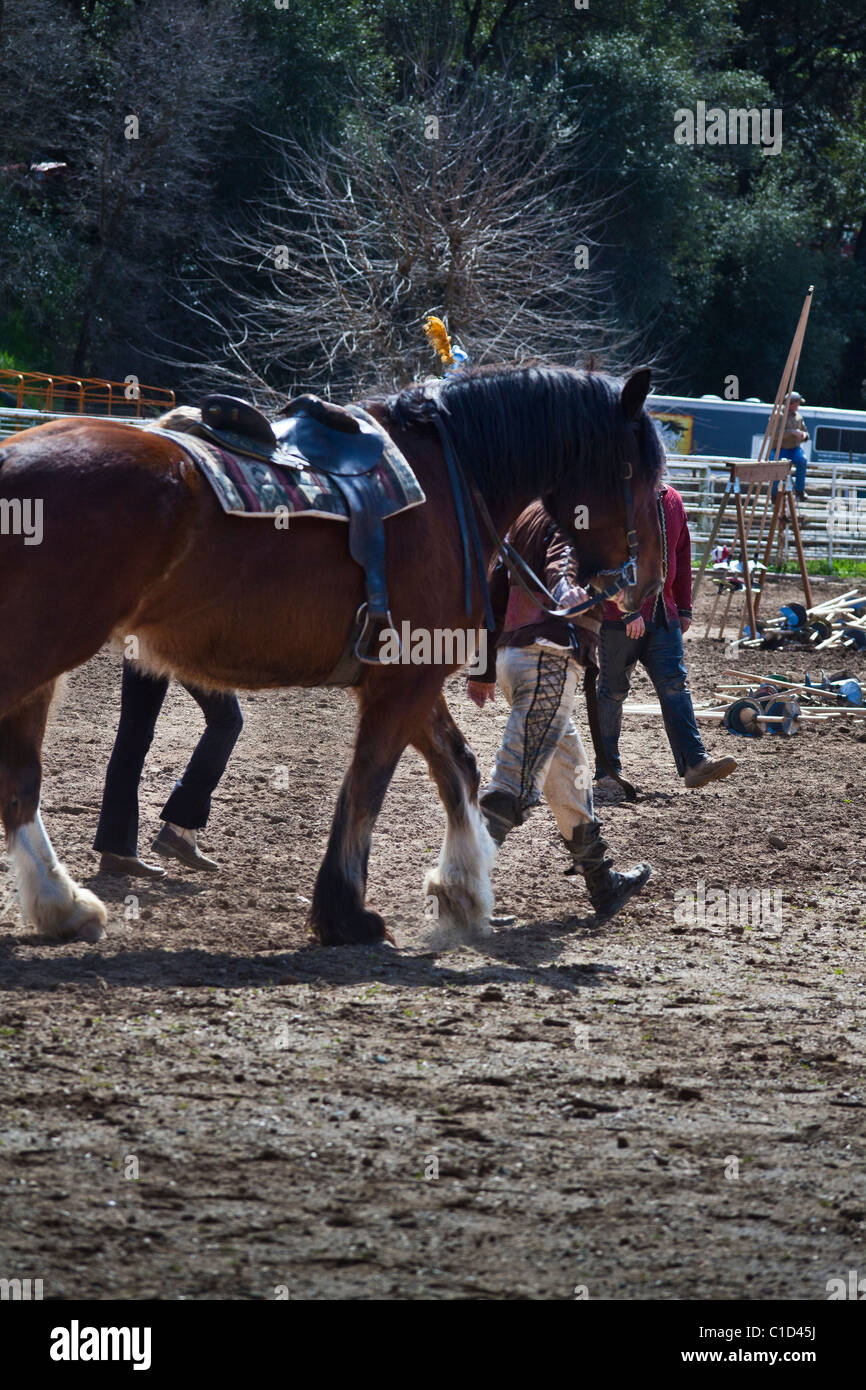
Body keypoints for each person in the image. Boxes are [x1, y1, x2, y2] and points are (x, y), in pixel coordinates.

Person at [466, 501, 651, 923]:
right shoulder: (571, 516)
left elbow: (492, 592)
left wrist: (482, 669)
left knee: (569, 772)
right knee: (512, 783)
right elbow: (563, 562)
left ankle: (602, 884)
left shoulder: (524, 517)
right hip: (548, 662)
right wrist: (571, 591)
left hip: (517, 659)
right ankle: (459, 892)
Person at [595, 482, 736, 793]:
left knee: (675, 685)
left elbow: (682, 554)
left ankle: (694, 764)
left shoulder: (672, 499)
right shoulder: (615, 498)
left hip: (665, 611)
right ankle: (606, 772)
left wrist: (684, 606)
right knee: (612, 691)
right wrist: (627, 609)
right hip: (620, 617)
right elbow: (605, 558)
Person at [94, 659, 243, 878]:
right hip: (179, 636)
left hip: (138, 636)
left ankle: (116, 850)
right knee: (227, 719)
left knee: (133, 734)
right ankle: (180, 826)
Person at [771, 391, 810, 502]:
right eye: (797, 403)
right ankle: (774, 494)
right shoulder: (778, 416)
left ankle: (799, 490)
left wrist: (803, 435)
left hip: (794, 449)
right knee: (777, 467)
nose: (799, 406)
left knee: (802, 460)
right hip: (779, 449)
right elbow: (773, 434)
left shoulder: (799, 417)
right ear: (792, 403)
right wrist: (792, 432)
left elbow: (806, 433)